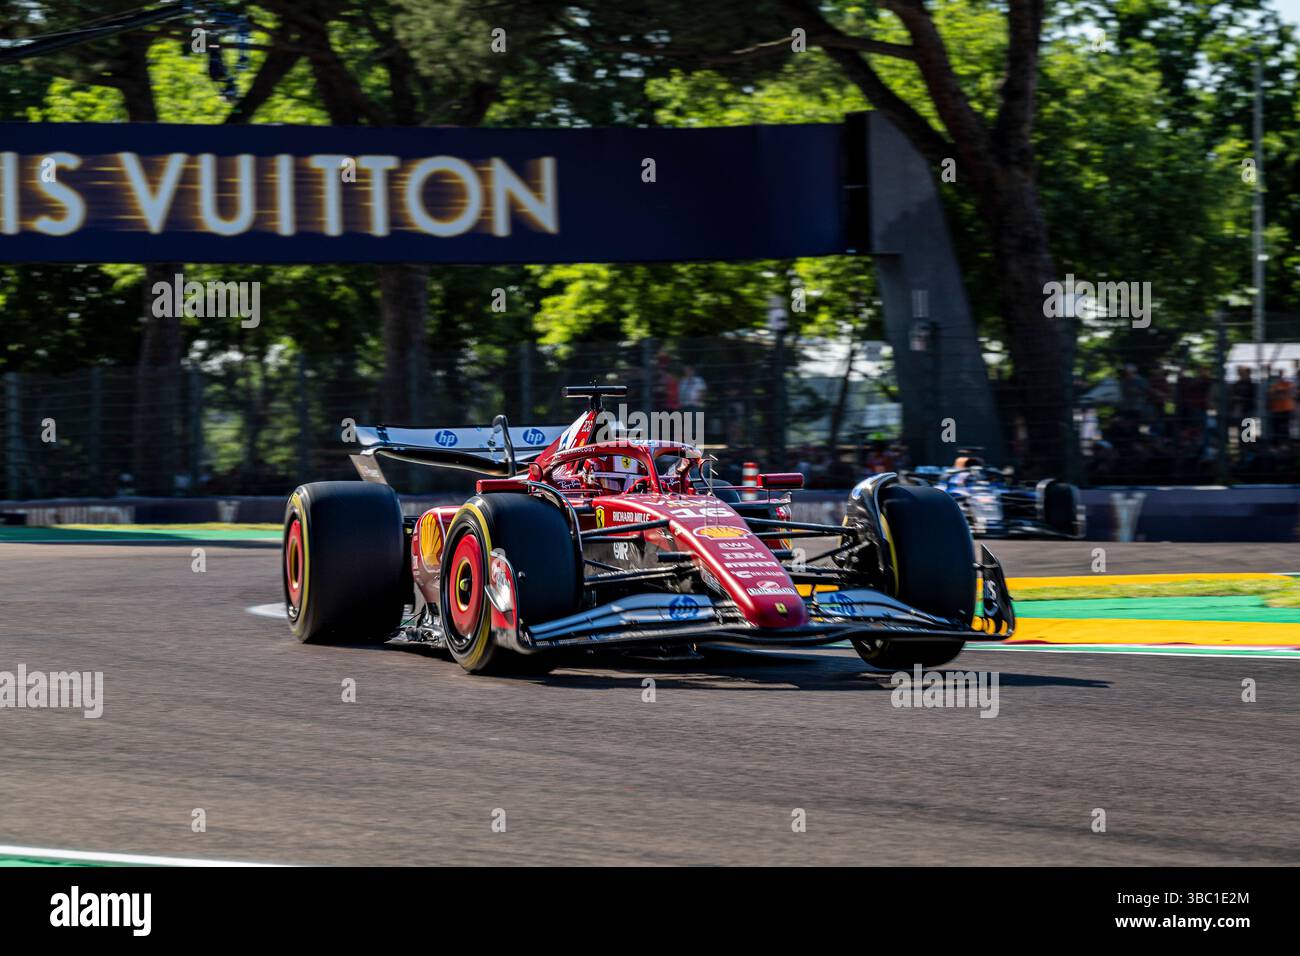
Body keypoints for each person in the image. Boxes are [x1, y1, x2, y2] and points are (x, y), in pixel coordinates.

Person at [1268, 366, 1295, 440]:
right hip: (1277, 409)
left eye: (1282, 373)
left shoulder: (1288, 383)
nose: (1281, 375)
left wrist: (1278, 392)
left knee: (1285, 428)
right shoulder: (1275, 383)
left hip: (1286, 408)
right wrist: (1280, 392)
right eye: (1280, 373)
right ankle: (1277, 445)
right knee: (1276, 427)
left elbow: (1290, 391)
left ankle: (1285, 444)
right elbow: (1271, 393)